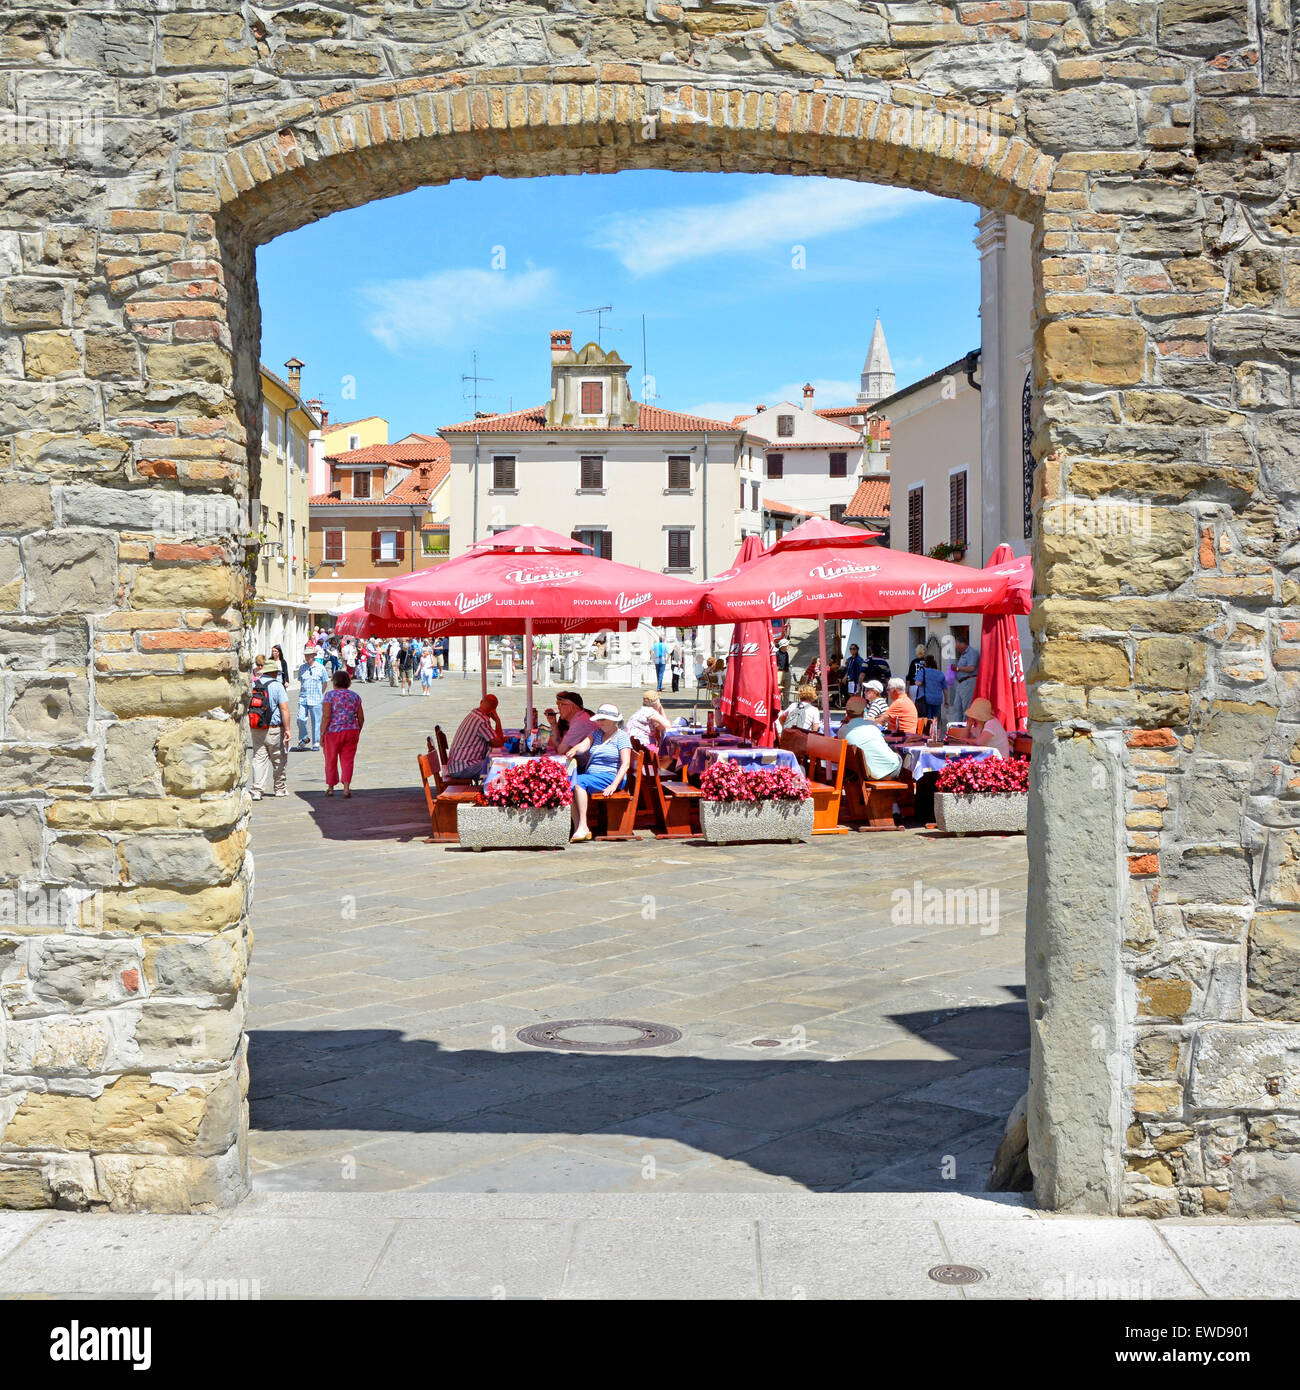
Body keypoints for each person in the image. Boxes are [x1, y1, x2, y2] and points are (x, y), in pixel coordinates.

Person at [566, 703, 632, 843]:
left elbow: (625, 764)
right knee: (567, 783)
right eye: (599, 719)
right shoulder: (596, 733)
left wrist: (614, 785)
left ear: (613, 721)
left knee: (579, 782)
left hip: (611, 777)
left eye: (603, 719)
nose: (599, 722)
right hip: (594, 776)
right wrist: (575, 749)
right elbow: (584, 745)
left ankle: (583, 825)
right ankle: (578, 826)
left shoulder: (622, 737)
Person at [249, 654, 290, 800]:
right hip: (274, 728)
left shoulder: (254, 685)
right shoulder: (277, 686)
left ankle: (257, 790)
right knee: (278, 757)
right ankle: (280, 788)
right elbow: (284, 708)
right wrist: (287, 729)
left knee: (259, 758)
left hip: (257, 727)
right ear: (273, 673)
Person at [837, 694, 903, 780]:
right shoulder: (872, 726)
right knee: (903, 757)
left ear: (847, 712)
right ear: (864, 712)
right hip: (890, 770)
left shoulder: (842, 731)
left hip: (869, 773)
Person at [320, 670, 364, 797]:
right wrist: (357, 730)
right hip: (351, 731)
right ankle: (346, 788)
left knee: (330, 759)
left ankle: (331, 787)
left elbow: (326, 716)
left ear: (334, 682)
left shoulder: (329, 696)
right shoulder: (355, 696)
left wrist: (322, 733)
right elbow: (361, 718)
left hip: (333, 732)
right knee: (348, 760)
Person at [446, 693, 505, 780]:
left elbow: (494, 741)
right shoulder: (482, 720)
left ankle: (491, 790)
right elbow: (498, 743)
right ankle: (493, 792)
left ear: (481, 702)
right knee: (499, 767)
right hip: (464, 767)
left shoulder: (473, 714)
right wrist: (498, 721)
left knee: (492, 764)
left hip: (455, 765)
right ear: (493, 710)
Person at [545, 690, 598, 768]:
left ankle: (568, 779)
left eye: (561, 704)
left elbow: (561, 750)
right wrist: (553, 724)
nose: (558, 708)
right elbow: (560, 746)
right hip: (580, 762)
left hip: (586, 767)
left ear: (571, 707)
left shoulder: (580, 723)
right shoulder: (580, 718)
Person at [295, 645, 326, 750]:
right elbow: (301, 680)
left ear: (314, 656)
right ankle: (304, 738)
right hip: (303, 697)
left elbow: (325, 682)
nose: (307, 657)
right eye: (306, 655)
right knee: (300, 718)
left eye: (309, 655)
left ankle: (316, 743)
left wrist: (320, 693)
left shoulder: (320, 668)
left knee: (316, 721)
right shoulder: (302, 668)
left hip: (316, 698)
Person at [951, 636, 980, 722]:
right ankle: (957, 728)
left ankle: (965, 728)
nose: (956, 647)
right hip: (961, 684)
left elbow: (972, 668)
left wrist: (958, 668)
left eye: (957, 644)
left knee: (966, 708)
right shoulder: (963, 654)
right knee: (957, 707)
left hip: (968, 682)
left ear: (962, 643)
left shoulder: (972, 652)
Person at [917, 656, 946, 722]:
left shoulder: (923, 671)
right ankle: (935, 730)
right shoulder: (940, 673)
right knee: (935, 718)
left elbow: (918, 683)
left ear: (926, 664)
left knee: (927, 719)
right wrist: (946, 700)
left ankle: (928, 731)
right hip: (937, 699)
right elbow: (945, 688)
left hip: (926, 699)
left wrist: (925, 681)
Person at [775, 638, 792, 705]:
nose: (788, 646)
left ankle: (785, 708)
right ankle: (778, 707)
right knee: (778, 692)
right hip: (779, 673)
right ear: (783, 646)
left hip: (786, 672)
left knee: (786, 692)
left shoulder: (786, 653)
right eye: (787, 645)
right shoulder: (777, 654)